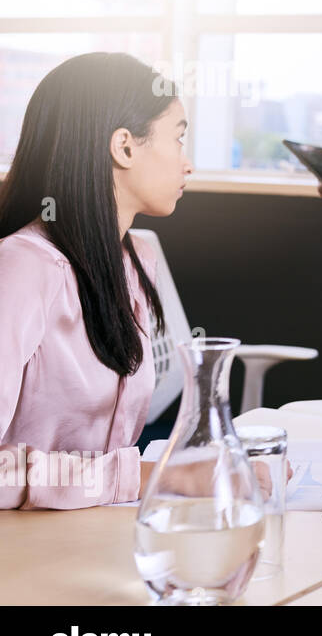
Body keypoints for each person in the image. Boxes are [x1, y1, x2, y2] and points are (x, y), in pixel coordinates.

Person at [0, 53, 191, 509]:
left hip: (100, 525)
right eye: (178, 139)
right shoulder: (24, 268)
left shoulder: (135, 259)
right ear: (124, 147)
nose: (188, 165)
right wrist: (155, 477)